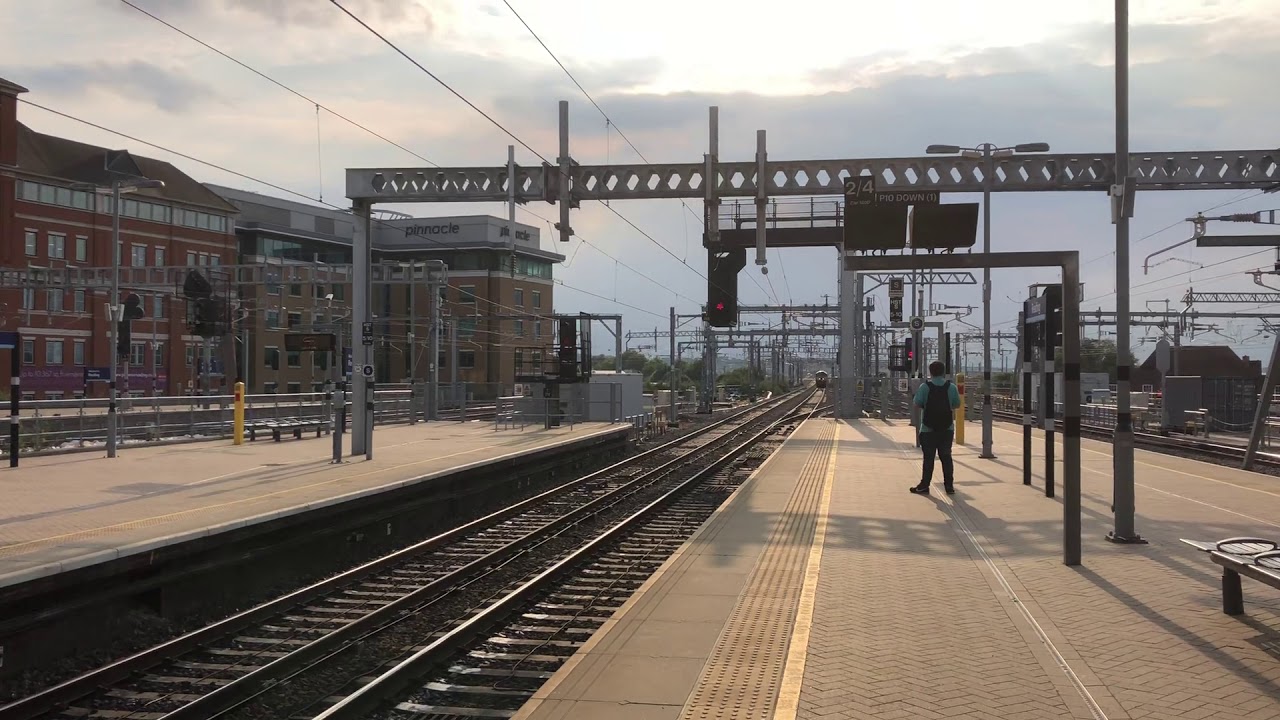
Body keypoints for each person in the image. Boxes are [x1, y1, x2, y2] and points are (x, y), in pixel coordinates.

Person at [910, 361, 961, 495]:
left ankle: (924, 486)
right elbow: (956, 405)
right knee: (946, 457)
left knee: (928, 458)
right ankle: (949, 487)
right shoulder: (952, 387)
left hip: (928, 429)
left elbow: (917, 404)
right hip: (947, 428)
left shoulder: (924, 387)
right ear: (943, 372)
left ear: (930, 372)